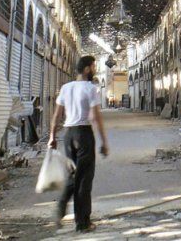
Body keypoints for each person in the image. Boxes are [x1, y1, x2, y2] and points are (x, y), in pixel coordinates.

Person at [48, 55, 110, 233]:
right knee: (84, 179)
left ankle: (61, 206)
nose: (95, 69)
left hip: (69, 134)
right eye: (94, 66)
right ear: (87, 69)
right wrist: (104, 142)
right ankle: (82, 223)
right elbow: (95, 117)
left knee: (73, 174)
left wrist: (52, 137)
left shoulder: (66, 88)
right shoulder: (91, 89)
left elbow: (57, 115)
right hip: (83, 134)